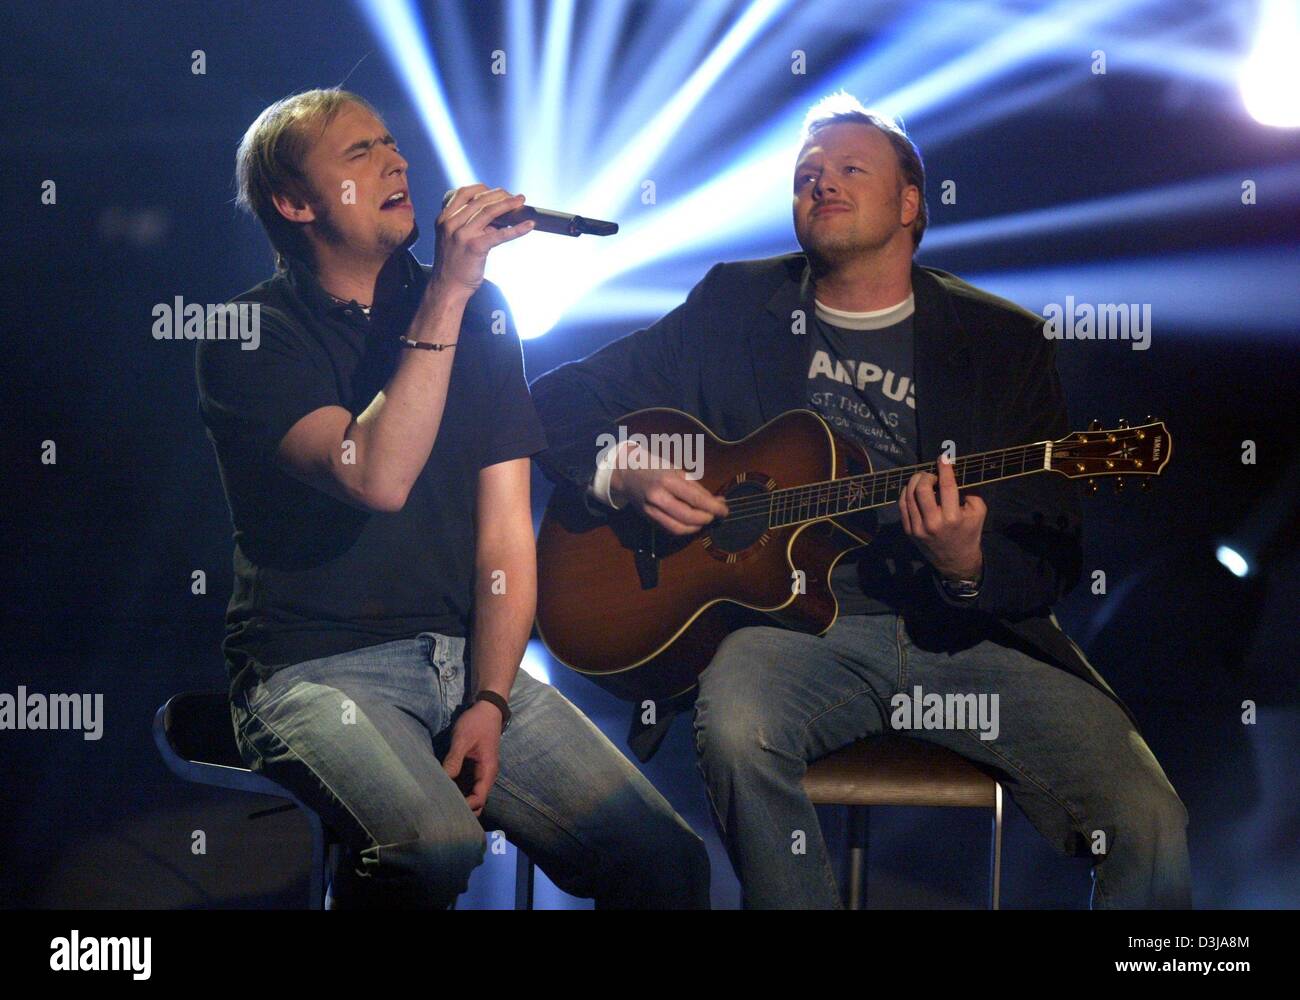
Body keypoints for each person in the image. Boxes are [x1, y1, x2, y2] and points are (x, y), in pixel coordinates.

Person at [529, 93, 1191, 908]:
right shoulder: (735, 304)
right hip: (793, 630)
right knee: (736, 732)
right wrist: (622, 467)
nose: (822, 185)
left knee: (1146, 812)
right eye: (807, 174)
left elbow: (1051, 556)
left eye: (849, 169)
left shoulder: (1002, 341)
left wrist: (967, 566)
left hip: (968, 638)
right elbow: (554, 401)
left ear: (911, 204)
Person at [195, 88, 709, 908]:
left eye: (392, 143)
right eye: (358, 154)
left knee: (667, 862)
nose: (396, 161)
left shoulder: (480, 313)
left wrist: (492, 698)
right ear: (294, 203)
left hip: (463, 660)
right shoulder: (249, 334)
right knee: (433, 847)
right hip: (316, 671)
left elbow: (507, 536)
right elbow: (376, 476)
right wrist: (450, 291)